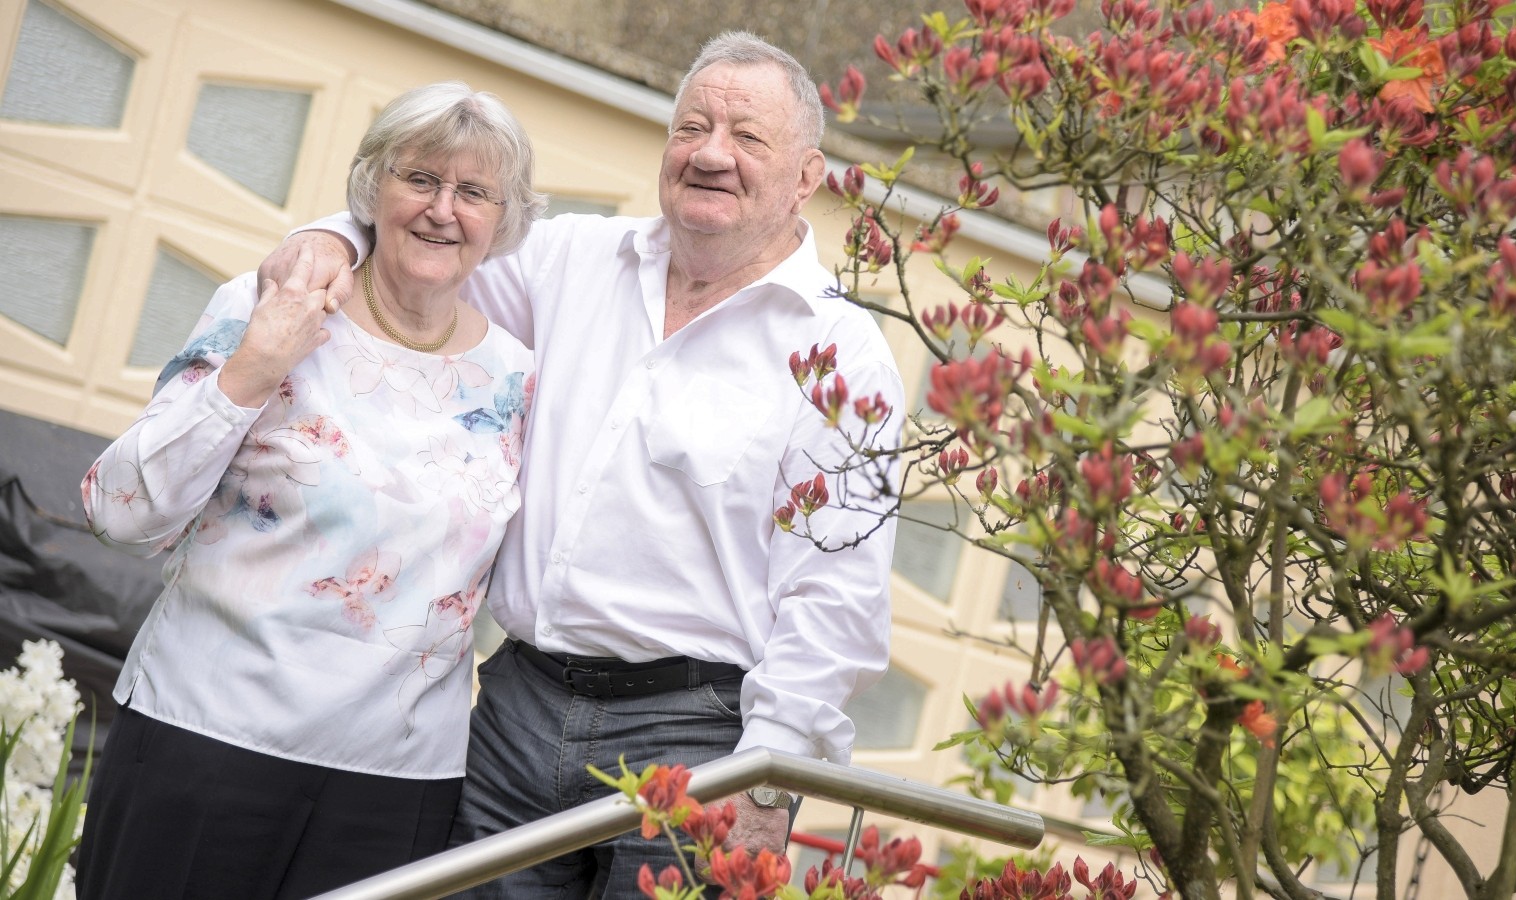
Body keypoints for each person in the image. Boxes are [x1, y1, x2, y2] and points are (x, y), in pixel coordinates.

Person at [265, 31, 904, 898]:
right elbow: (428, 250)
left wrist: (769, 776)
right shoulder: (569, 260)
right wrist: (332, 239)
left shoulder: (841, 354)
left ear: (806, 178)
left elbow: (835, 598)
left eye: (748, 137)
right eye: (692, 127)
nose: (710, 153)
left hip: (700, 739)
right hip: (516, 709)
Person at [76, 82, 544, 899]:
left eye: (473, 192)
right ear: (370, 186)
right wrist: (254, 367)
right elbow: (122, 512)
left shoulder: (518, 377)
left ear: (502, 220)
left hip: (398, 785)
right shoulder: (274, 306)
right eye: (419, 179)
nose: (443, 209)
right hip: (207, 737)